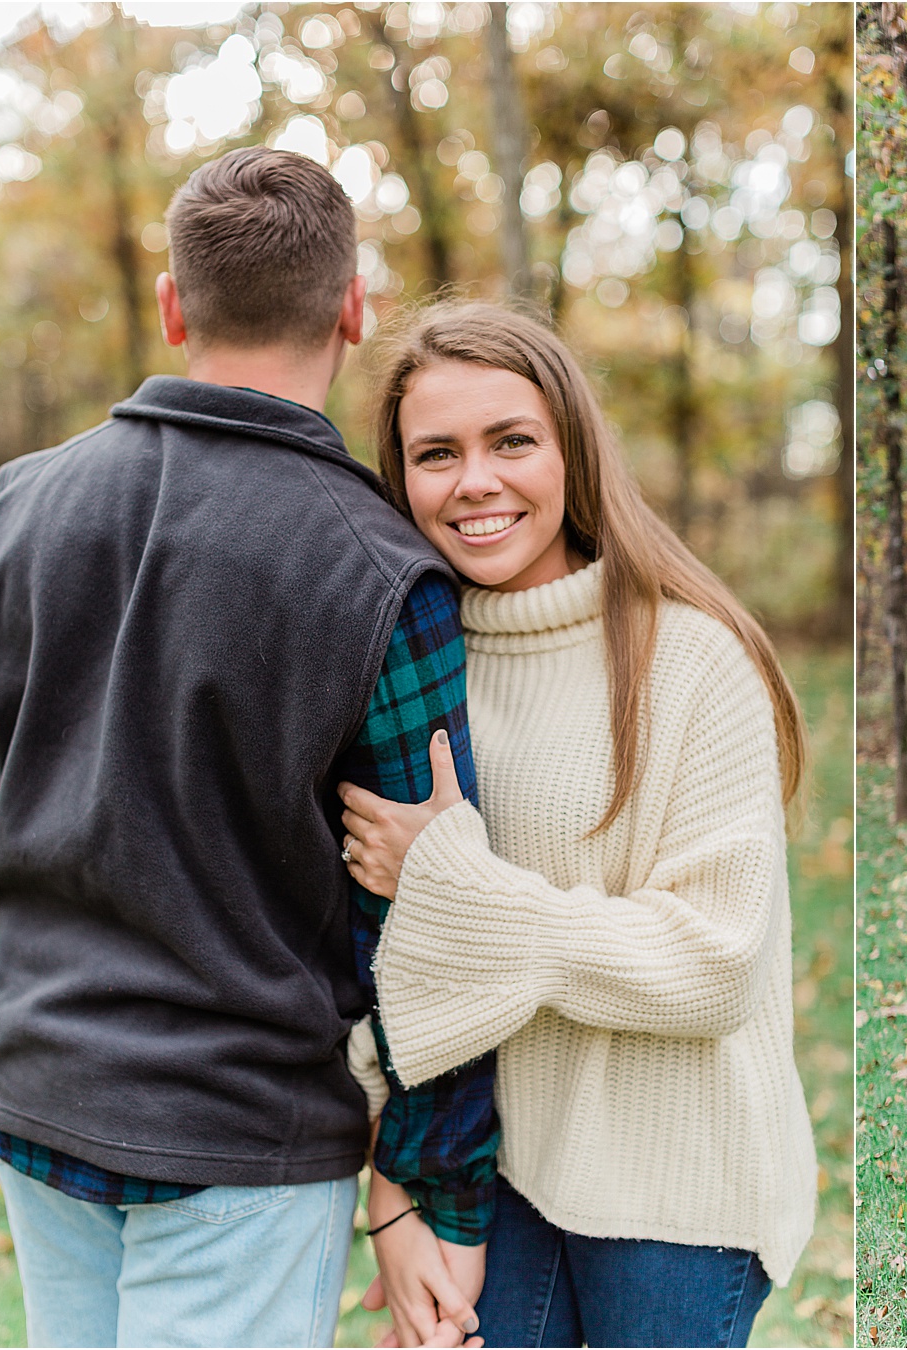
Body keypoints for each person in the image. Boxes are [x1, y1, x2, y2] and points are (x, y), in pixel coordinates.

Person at [0, 148, 493, 1348]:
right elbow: (426, 913)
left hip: (35, 1081)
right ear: (353, 307)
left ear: (172, 304)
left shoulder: (7, 521)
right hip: (242, 1133)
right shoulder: (383, 576)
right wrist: (439, 1186)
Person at [335, 302, 818, 1348]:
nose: (476, 481)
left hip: (677, 1191)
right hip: (487, 1180)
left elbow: (716, 965)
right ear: (399, 477)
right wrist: (394, 1190)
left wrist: (458, 887)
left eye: (512, 441)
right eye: (436, 453)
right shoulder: (407, 669)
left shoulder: (689, 659)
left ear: (572, 450)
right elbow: (374, 954)